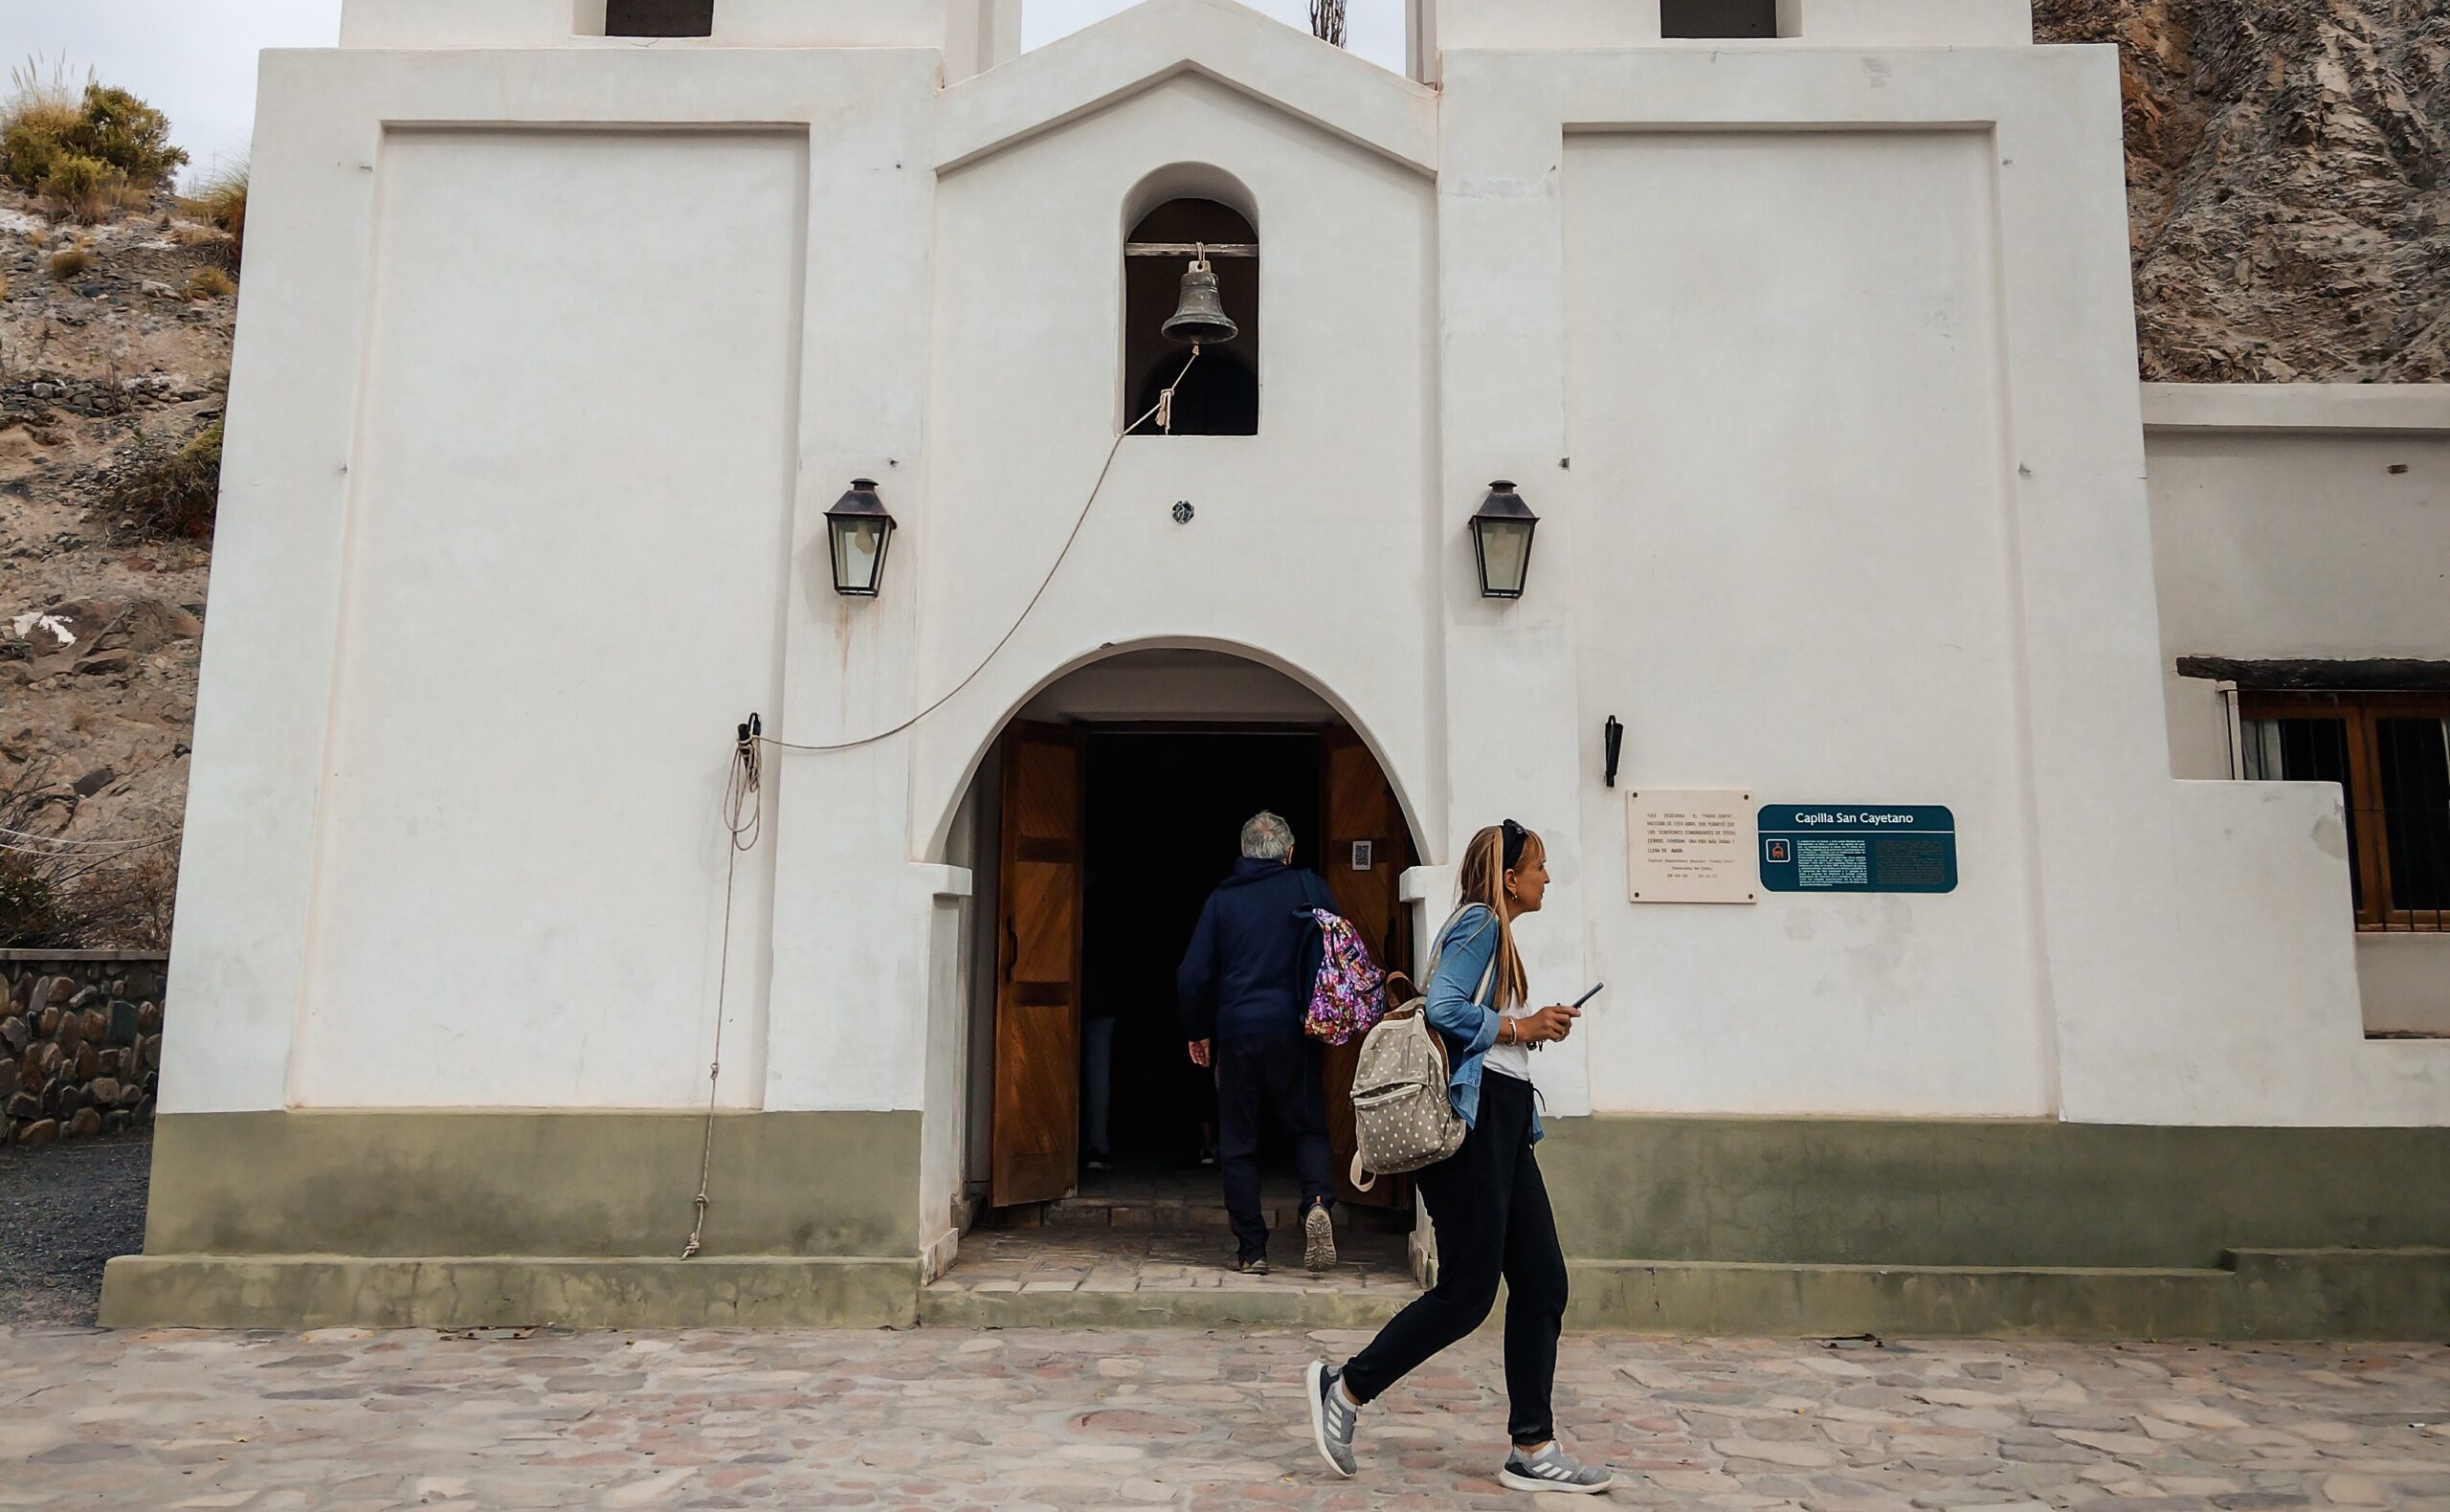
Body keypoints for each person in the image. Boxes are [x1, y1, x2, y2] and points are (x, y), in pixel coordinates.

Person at [1303, 821, 1615, 1496]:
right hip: (1471, 1128)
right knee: (1469, 1292)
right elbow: (1443, 1007)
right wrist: (1518, 1027)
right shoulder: (1479, 923)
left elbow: (1479, 1025)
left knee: (1542, 1281)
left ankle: (1532, 1448)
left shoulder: (1497, 937)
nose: (1546, 878)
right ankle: (1346, 1386)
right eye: (1538, 866)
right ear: (1509, 877)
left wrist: (1530, 1029)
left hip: (1503, 1121)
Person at [1176, 810, 1341, 1275]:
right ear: (1289, 853)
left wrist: (1197, 1030)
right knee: (1308, 1126)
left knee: (1239, 1142)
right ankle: (1315, 1203)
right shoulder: (1311, 890)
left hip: (1239, 1034)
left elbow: (1192, 976)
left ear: (1245, 854)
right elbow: (1340, 956)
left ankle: (1252, 1249)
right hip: (1298, 1031)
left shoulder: (1222, 902)